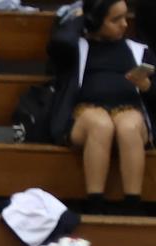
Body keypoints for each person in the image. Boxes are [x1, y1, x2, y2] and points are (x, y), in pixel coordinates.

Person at [48, 0, 151, 215]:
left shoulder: (137, 50)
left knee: (128, 125)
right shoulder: (76, 48)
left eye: (125, 17)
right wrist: (81, 19)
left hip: (129, 112)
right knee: (101, 124)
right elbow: (59, 40)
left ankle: (133, 203)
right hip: (85, 116)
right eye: (115, 20)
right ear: (95, 22)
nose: (124, 24)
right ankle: (95, 202)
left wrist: (147, 86)